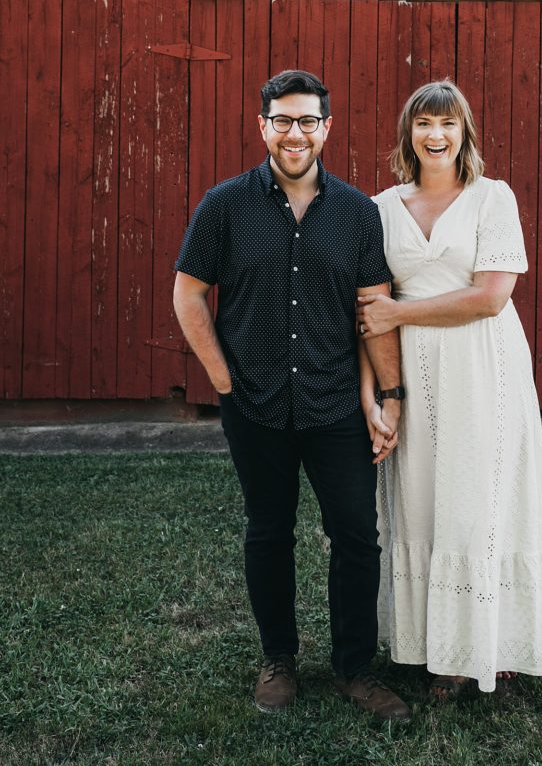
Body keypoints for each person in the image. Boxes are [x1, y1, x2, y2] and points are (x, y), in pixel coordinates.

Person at [173, 69, 410, 721]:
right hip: (254, 405)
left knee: (358, 535)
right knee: (269, 532)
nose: (295, 132)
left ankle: (354, 668)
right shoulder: (224, 206)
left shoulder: (358, 214)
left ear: (326, 127)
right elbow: (188, 292)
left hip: (336, 404)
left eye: (308, 120)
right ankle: (278, 658)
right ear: (263, 127)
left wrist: (389, 394)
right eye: (283, 119)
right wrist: (223, 379)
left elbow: (374, 307)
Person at [357, 80, 542, 697]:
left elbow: (491, 296)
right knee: (421, 499)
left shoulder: (492, 198)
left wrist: (399, 314)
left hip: (483, 366)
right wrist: (373, 398)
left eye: (447, 123)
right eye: (424, 124)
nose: (436, 135)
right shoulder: (379, 209)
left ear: (464, 133)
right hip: (409, 372)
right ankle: (433, 647)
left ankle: (487, 639)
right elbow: (367, 310)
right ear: (408, 135)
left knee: (479, 497)